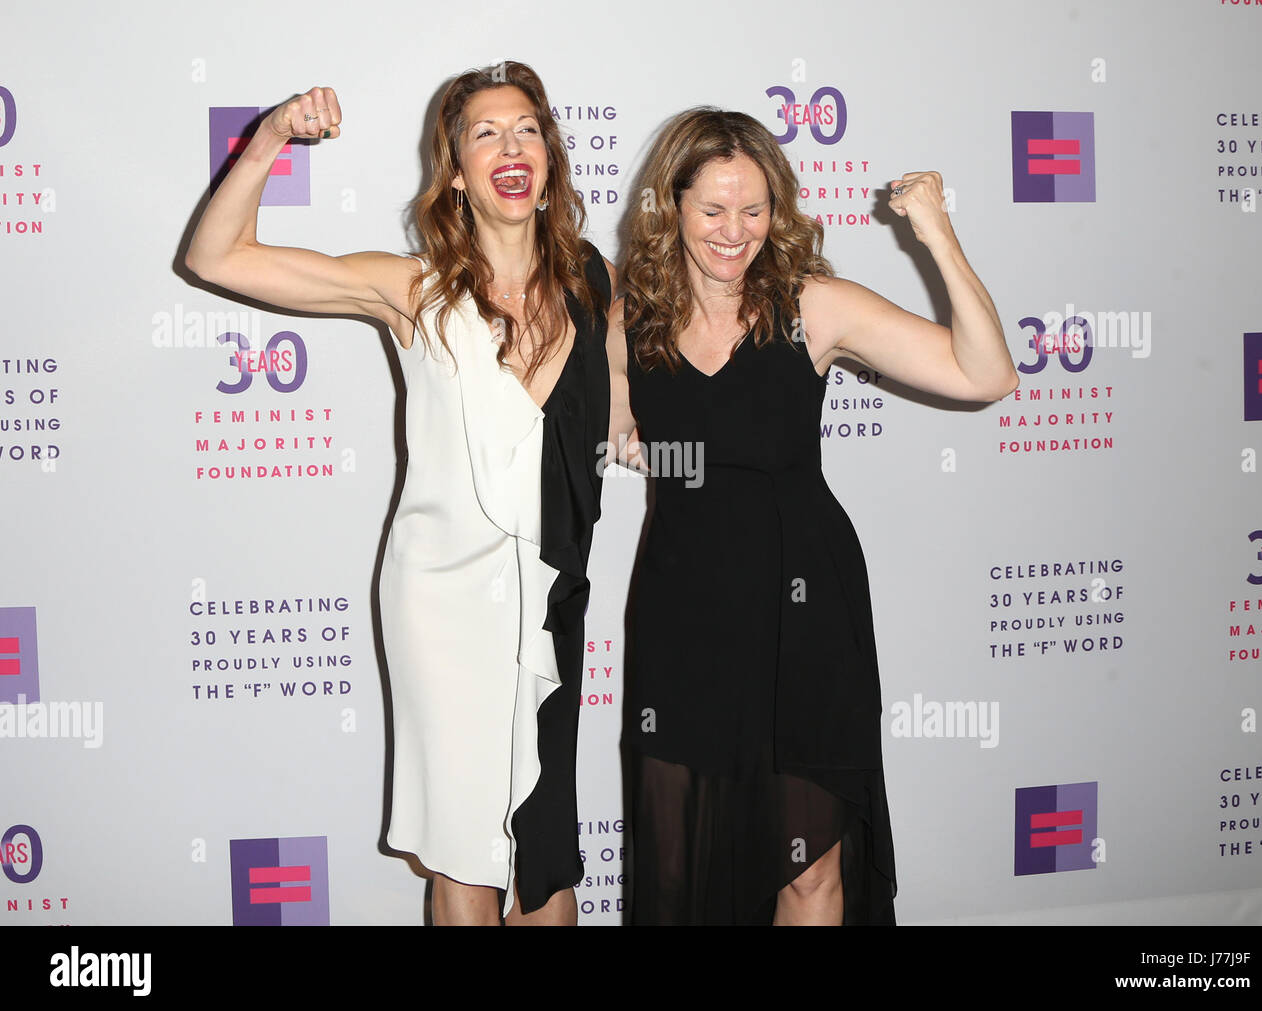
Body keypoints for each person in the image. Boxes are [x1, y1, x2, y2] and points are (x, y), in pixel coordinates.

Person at [186, 62, 615, 926]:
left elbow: (619, 423)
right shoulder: (414, 289)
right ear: (455, 171)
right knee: (462, 848)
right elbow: (214, 257)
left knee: (547, 850)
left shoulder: (591, 282)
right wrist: (270, 136)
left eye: (526, 127)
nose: (509, 144)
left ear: (551, 157)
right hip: (443, 608)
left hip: (551, 596)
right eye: (484, 132)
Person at [607, 107, 1018, 925]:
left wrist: (937, 235)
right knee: (681, 866)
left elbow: (987, 374)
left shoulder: (813, 306)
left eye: (754, 210)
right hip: (684, 615)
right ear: (671, 206)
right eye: (712, 210)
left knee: (808, 868)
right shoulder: (629, 318)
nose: (734, 232)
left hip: (807, 613)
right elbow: (607, 434)